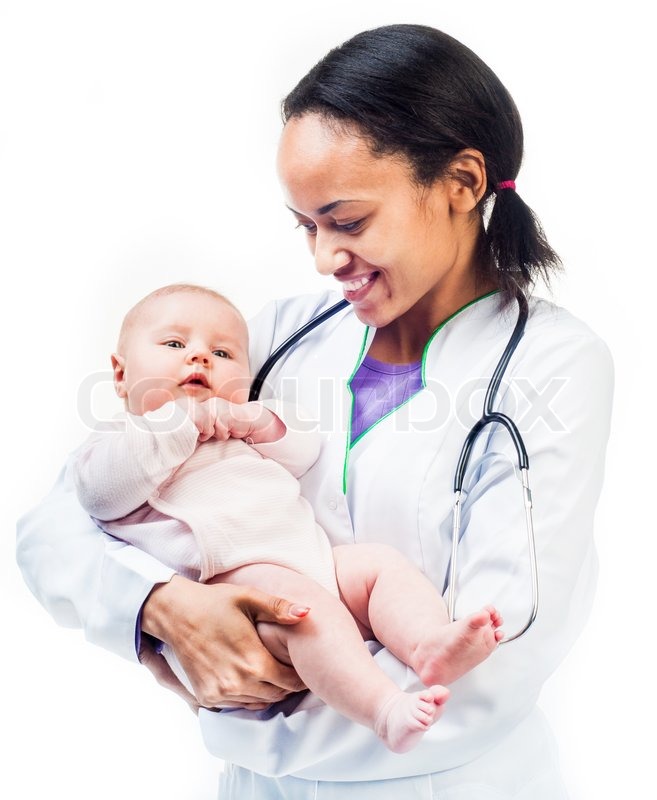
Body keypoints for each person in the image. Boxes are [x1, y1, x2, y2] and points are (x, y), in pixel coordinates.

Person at [16, 23, 613, 800]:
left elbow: (496, 658)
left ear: (462, 183)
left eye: (348, 220)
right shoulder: (270, 337)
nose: (324, 257)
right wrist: (162, 608)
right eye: (306, 226)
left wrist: (237, 708)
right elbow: (58, 525)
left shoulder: (551, 365)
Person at [71, 281, 505, 753]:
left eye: (222, 353)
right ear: (120, 375)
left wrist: (257, 423)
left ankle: (427, 644)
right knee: (309, 614)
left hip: (314, 559)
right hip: (237, 588)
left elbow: (304, 449)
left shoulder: (236, 428)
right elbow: (100, 495)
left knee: (379, 566)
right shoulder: (117, 440)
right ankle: (384, 710)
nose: (200, 358)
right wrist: (178, 426)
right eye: (175, 345)